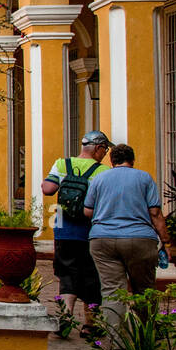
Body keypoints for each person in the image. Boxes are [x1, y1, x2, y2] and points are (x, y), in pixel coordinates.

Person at [83, 143, 171, 314]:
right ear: (132, 160)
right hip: (139, 239)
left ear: (112, 160)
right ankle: (145, 335)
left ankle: (115, 338)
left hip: (102, 239)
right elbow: (155, 213)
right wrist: (166, 242)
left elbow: (88, 211)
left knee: (111, 290)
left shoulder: (99, 179)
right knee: (145, 289)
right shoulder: (145, 178)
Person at [41, 130, 109, 337]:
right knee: (91, 274)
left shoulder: (62, 163)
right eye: (105, 149)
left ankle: (65, 316)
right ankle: (91, 324)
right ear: (98, 149)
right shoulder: (103, 171)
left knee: (67, 273)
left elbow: (48, 189)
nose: (105, 153)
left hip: (63, 228)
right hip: (89, 229)